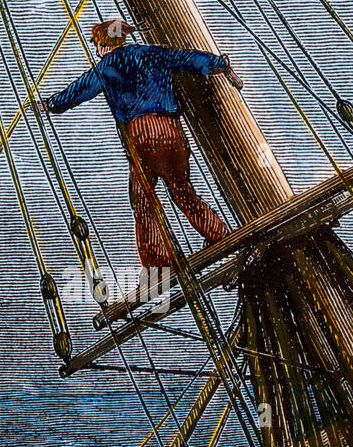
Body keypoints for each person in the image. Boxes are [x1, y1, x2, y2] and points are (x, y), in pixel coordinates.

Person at [42, 17, 240, 272]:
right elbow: (189, 59)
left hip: (141, 134)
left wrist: (50, 104)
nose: (96, 49)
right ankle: (217, 232)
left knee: (142, 198)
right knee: (181, 187)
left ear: (103, 44)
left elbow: (79, 90)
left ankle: (159, 262)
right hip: (171, 130)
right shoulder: (154, 53)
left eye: (96, 44)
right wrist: (219, 63)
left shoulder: (108, 66)